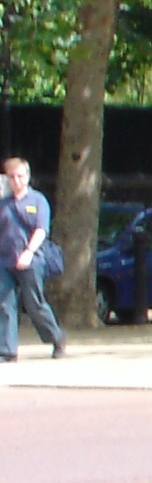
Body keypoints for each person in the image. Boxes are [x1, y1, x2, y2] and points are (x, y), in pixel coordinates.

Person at [1, 155, 66, 361]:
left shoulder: (38, 201)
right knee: (4, 304)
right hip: (4, 261)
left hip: (31, 261)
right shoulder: (3, 203)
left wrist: (28, 252)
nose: (16, 181)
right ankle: (7, 350)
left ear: (27, 176)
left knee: (34, 304)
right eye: (11, 177)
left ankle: (56, 338)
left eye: (20, 176)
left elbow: (41, 230)